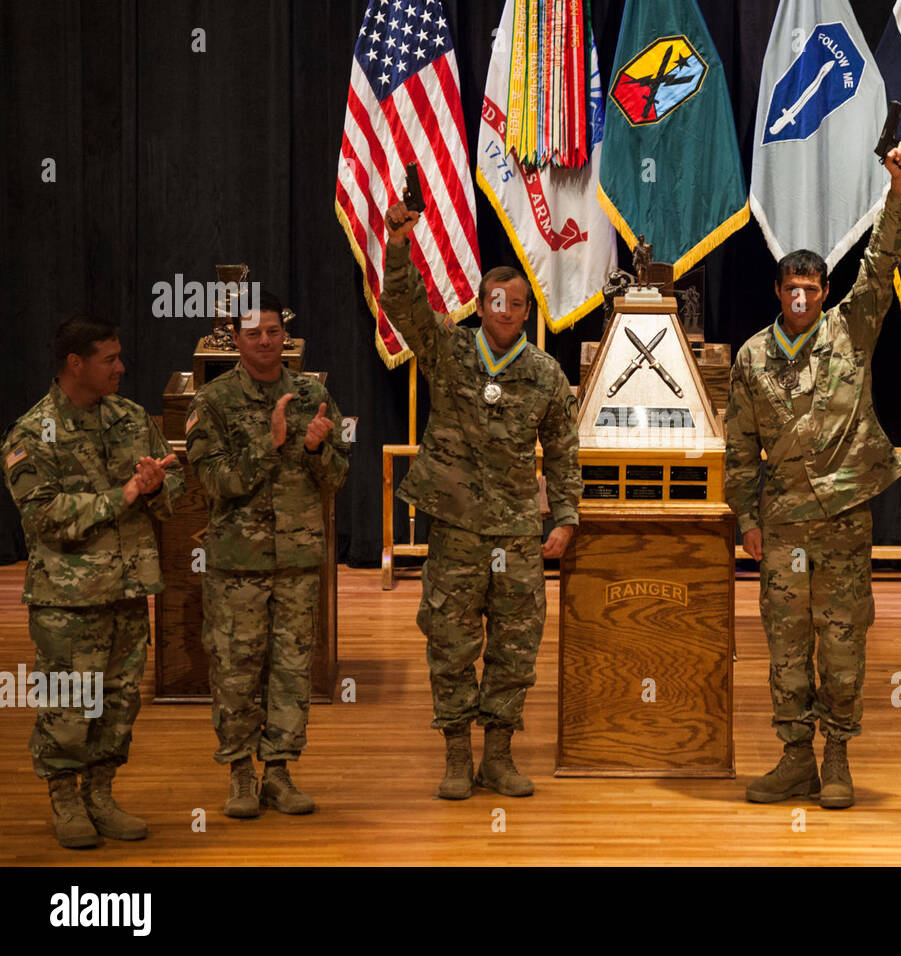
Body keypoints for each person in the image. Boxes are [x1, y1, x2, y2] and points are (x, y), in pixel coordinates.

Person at [725, 142, 901, 809]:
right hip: (781, 527)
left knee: (840, 638)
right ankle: (793, 757)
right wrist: (745, 518)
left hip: (841, 521)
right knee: (784, 641)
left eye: (812, 286)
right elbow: (741, 450)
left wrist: (897, 192)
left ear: (824, 291)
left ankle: (837, 756)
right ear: (779, 292)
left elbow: (882, 265)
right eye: (791, 287)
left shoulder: (851, 330)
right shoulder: (751, 358)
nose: (802, 295)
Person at [380, 201, 580, 800]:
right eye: (497, 300)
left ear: (526, 310)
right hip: (456, 528)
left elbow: (564, 453)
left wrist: (566, 517)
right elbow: (405, 306)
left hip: (518, 531)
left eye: (518, 303)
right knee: (450, 637)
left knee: (516, 644)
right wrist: (397, 243)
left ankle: (498, 755)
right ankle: (456, 756)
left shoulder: (546, 373)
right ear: (483, 302)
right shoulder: (450, 351)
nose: (507, 310)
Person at [3, 316, 184, 848]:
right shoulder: (31, 433)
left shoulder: (131, 418)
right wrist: (124, 495)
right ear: (75, 364)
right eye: (109, 358)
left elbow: (171, 488)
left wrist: (153, 488)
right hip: (68, 601)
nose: (121, 368)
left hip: (129, 591)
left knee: (120, 702)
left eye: (120, 356)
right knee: (69, 702)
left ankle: (101, 795)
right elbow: (43, 516)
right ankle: (65, 801)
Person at [186, 294, 349, 818]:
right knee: (236, 669)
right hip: (238, 564)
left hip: (299, 560)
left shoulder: (313, 393)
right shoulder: (211, 401)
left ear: (287, 337)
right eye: (253, 333)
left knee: (292, 670)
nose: (264, 341)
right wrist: (271, 443)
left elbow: (338, 477)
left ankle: (278, 771)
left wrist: (320, 448)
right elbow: (213, 481)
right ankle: (239, 774)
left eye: (274, 332)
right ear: (235, 338)